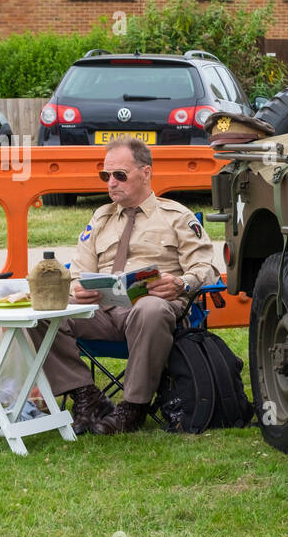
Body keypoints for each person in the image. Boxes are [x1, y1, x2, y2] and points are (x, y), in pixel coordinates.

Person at [37, 136, 218, 435]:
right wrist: (79, 288)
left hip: (152, 307)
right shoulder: (100, 218)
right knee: (43, 315)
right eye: (105, 176)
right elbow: (79, 272)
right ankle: (86, 396)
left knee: (149, 310)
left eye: (120, 175)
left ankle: (133, 408)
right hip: (102, 311)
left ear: (145, 173)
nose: (111, 183)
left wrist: (182, 282)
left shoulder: (176, 216)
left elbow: (207, 268)